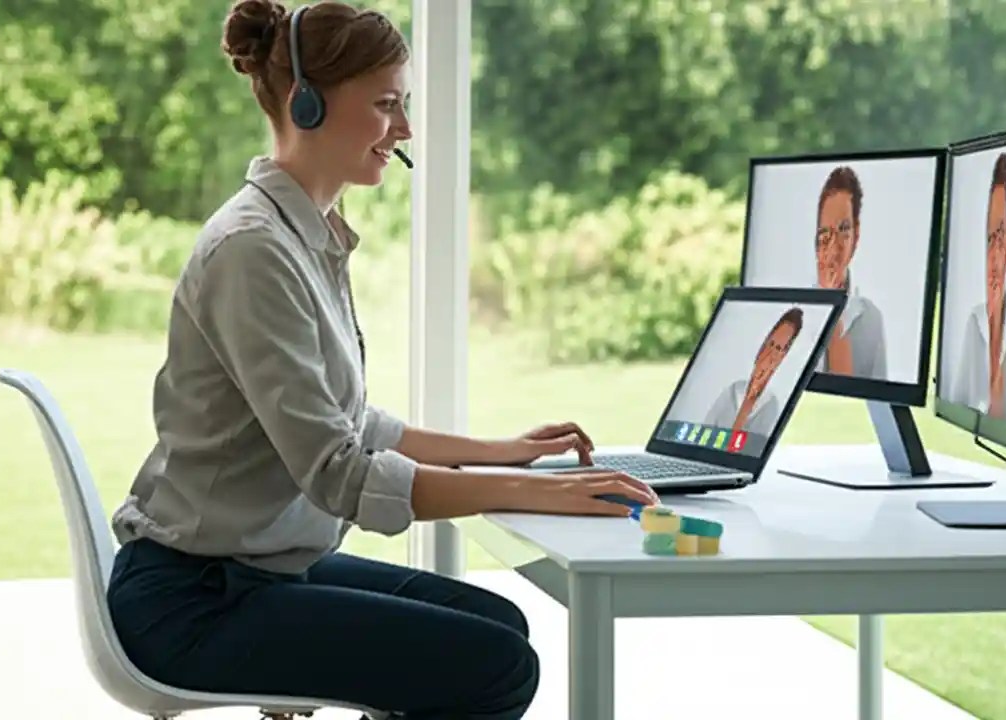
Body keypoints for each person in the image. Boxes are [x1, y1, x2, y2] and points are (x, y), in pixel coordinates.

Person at [103, 2, 658, 719]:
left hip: (253, 570)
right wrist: (534, 492)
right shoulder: (253, 252)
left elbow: (350, 422)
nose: (405, 129)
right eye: (386, 105)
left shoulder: (304, 235)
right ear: (307, 104)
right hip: (193, 603)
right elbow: (337, 472)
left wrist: (504, 453)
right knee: (495, 667)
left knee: (497, 626)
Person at [953, 151, 1006, 424]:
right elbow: (958, 403)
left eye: (1001, 238)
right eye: (989, 240)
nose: (993, 256)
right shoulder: (974, 324)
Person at [813, 165, 887, 379]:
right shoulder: (797, 313)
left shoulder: (871, 318)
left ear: (857, 234)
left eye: (844, 230)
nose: (834, 247)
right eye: (826, 233)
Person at [703, 307, 804, 437]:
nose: (770, 353)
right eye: (771, 343)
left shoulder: (770, 406)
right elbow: (703, 432)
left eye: (779, 348)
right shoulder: (733, 391)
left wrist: (754, 393)